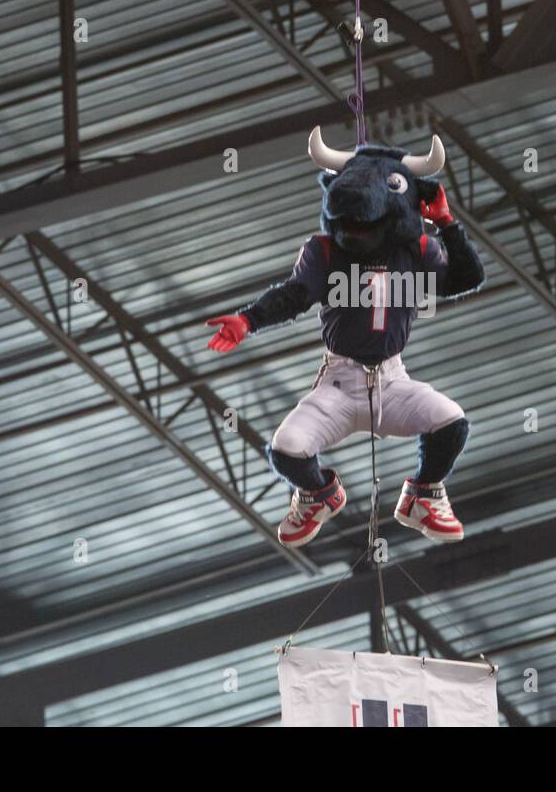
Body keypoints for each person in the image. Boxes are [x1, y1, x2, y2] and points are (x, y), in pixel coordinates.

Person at [206, 128, 486, 547]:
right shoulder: (325, 250)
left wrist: (446, 223)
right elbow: (295, 295)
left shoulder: (417, 250)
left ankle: (424, 495)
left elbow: (467, 277)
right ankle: (317, 493)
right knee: (285, 449)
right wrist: (248, 321)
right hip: (339, 383)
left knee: (452, 422)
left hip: (393, 382)